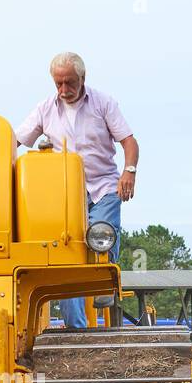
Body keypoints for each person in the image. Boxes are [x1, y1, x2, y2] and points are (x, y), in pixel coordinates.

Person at [16, 52, 139, 329]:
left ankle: (105, 284)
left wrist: (128, 171)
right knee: (66, 254)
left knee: (102, 231)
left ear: (83, 79)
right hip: (66, 192)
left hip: (104, 183)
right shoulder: (45, 108)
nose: (63, 90)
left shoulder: (103, 103)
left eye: (69, 83)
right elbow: (18, 140)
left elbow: (129, 141)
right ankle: (76, 327)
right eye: (58, 83)